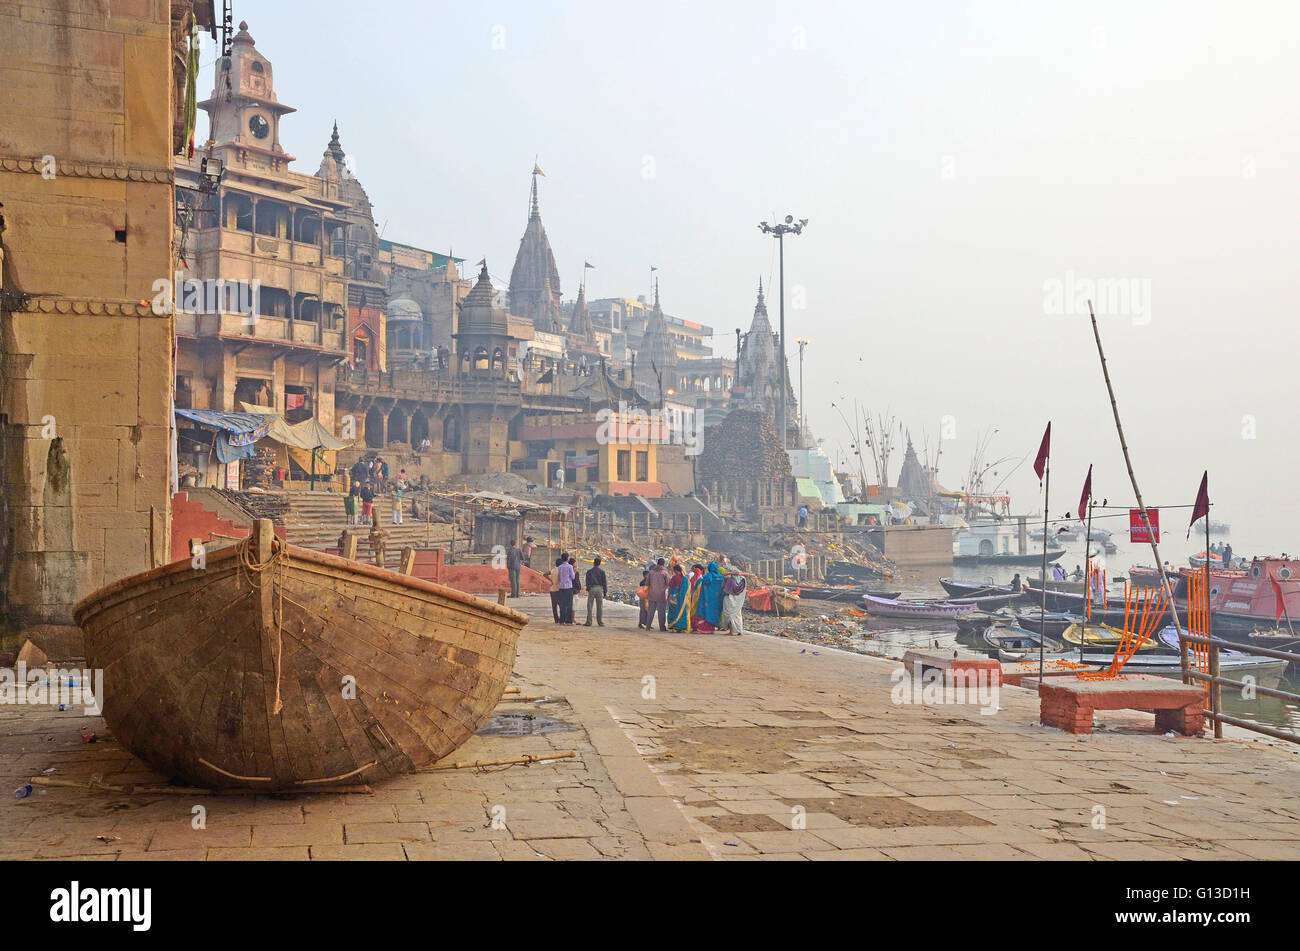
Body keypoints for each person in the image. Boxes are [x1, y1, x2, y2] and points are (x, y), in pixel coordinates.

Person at [692, 562, 725, 633]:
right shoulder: (721, 578)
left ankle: (703, 629)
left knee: (705, 612)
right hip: (716, 601)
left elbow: (704, 583)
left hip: (707, 599)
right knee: (713, 613)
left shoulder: (708, 576)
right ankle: (711, 629)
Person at [646, 558, 671, 632]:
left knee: (651, 611)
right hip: (661, 595)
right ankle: (662, 627)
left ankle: (648, 626)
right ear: (663, 564)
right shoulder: (664, 573)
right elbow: (668, 583)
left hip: (651, 594)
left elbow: (647, 583)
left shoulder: (651, 572)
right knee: (661, 612)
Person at [584, 557, 607, 626]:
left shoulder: (589, 571)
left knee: (590, 606)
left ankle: (589, 622)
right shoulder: (602, 572)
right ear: (600, 564)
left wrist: (588, 589)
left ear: (593, 563)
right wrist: (605, 591)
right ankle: (600, 622)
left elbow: (587, 581)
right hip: (599, 589)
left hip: (592, 588)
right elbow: (604, 582)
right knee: (599, 606)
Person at [667, 564, 690, 631]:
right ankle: (681, 626)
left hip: (673, 596)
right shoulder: (685, 579)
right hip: (682, 597)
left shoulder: (674, 577)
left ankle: (674, 625)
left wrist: (668, 595)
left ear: (676, 570)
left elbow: (670, 586)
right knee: (681, 611)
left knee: (673, 611)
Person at [557, 554, 577, 624]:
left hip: (561, 587)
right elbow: (573, 577)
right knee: (569, 605)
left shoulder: (559, 567)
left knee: (562, 605)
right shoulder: (570, 567)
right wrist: (575, 572)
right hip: (568, 587)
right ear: (567, 559)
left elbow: (559, 577)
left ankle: (562, 620)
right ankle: (568, 621)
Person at [545, 556, 564, 623]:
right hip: (558, 589)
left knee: (554, 606)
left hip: (552, 589)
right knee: (561, 605)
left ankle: (556, 620)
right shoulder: (560, 570)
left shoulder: (553, 570)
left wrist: (551, 580)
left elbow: (545, 574)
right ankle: (562, 619)